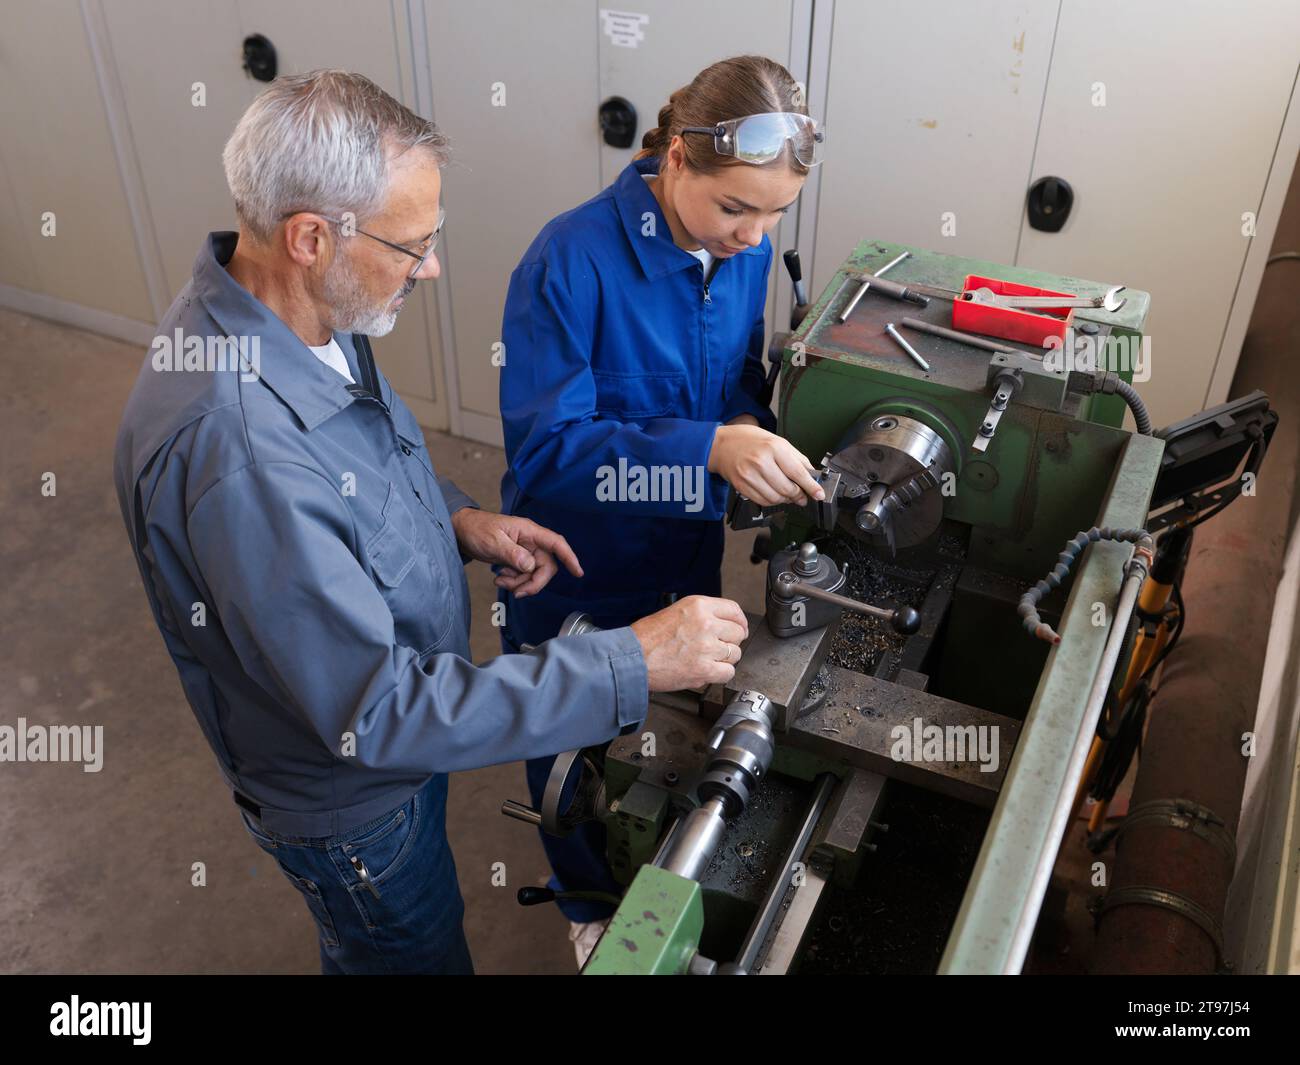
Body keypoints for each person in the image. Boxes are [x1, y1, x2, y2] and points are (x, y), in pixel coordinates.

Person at [113, 70, 747, 975]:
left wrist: (456, 518)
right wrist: (632, 659)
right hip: (354, 802)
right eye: (414, 243)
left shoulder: (306, 311)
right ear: (309, 236)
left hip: (392, 749)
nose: (434, 265)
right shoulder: (236, 449)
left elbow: (353, 473)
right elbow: (378, 713)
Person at [497, 55, 826, 962]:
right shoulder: (569, 260)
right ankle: (585, 904)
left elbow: (737, 384)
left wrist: (757, 436)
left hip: (681, 556)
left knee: (663, 736)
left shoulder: (739, 258)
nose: (755, 237)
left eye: (774, 215)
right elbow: (550, 452)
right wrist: (708, 452)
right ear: (677, 159)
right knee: (572, 752)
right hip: (575, 565)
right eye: (735, 209)